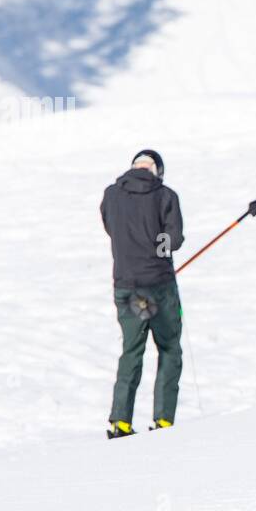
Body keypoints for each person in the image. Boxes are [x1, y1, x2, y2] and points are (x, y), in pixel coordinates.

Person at [100, 149, 185, 438]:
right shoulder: (165, 196)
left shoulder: (111, 194)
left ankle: (120, 421)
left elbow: (111, 228)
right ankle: (163, 420)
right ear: (157, 170)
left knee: (131, 350)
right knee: (169, 348)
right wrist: (158, 253)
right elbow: (171, 241)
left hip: (126, 288)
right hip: (159, 288)